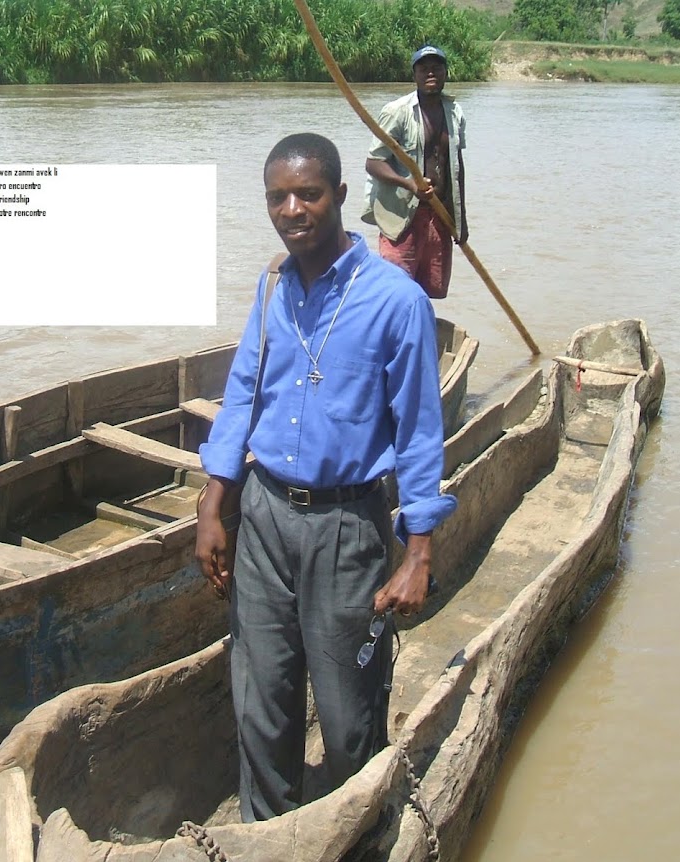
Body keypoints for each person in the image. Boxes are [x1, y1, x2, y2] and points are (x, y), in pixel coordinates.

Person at [195, 132, 456, 822]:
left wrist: (418, 552)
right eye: (277, 198)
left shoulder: (397, 302)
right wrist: (213, 504)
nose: (292, 210)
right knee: (263, 701)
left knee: (347, 714)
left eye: (308, 194)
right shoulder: (272, 286)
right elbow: (243, 392)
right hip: (265, 517)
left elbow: (419, 433)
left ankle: (357, 830)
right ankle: (266, 834)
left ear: (340, 196)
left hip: (346, 526)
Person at [363, 45, 468, 300]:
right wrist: (409, 183)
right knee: (396, 292)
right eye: (424, 69)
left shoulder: (455, 112)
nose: (431, 73)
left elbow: (456, 165)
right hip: (403, 217)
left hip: (440, 216)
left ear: (446, 73)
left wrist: (461, 219)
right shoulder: (397, 112)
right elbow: (374, 162)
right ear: (415, 75)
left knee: (429, 293)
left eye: (437, 68)